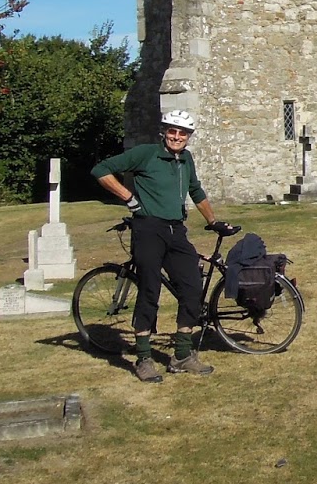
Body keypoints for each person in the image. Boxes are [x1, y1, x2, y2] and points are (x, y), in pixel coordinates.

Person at [91, 109, 230, 383]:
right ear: (164, 132)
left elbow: (196, 191)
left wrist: (213, 220)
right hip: (148, 228)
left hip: (176, 230)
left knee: (192, 287)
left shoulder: (186, 159)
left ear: (189, 137)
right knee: (149, 290)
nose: (177, 136)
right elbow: (101, 170)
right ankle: (143, 358)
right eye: (172, 131)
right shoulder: (145, 153)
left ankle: (181, 355)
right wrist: (128, 197)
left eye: (183, 133)